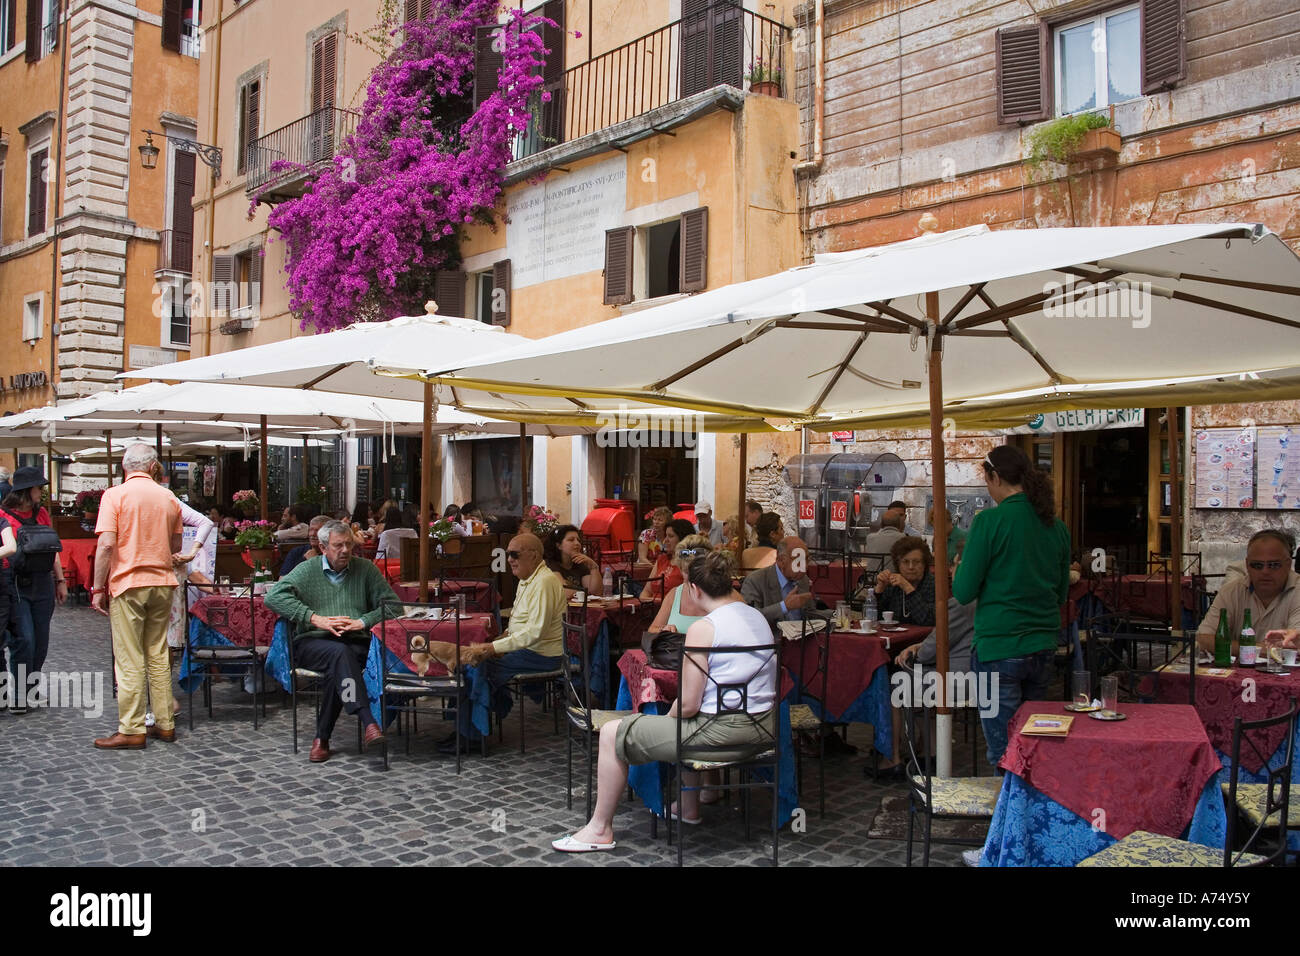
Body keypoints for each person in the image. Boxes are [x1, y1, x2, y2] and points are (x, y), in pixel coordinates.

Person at [553, 551, 778, 851]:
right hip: (764, 729)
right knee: (685, 721)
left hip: (719, 734)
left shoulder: (704, 628)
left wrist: (664, 717)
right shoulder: (757, 617)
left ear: (695, 589)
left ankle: (599, 829)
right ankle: (689, 807)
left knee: (610, 733)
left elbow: (688, 705)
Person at [952, 444, 1071, 769]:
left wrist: (960, 568)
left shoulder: (989, 522)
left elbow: (962, 592)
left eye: (986, 480)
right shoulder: (1056, 527)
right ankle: (1031, 814)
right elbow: (1061, 595)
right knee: (1032, 744)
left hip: (998, 646)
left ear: (994, 476)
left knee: (1003, 750)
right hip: (1043, 645)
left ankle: (1008, 817)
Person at [263, 520, 396, 762]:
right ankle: (367, 720)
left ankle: (322, 737)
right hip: (313, 643)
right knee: (339, 655)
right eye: (338, 545)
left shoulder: (365, 569)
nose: (346, 550)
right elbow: (273, 597)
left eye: (349, 544)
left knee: (341, 660)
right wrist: (315, 618)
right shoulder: (307, 570)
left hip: (355, 642)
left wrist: (362, 622)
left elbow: (393, 607)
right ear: (323, 548)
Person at [90, 445, 182, 749]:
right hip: (162, 582)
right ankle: (165, 722)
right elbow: (177, 543)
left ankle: (132, 727)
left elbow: (105, 546)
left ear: (123, 465)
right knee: (157, 653)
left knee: (129, 657)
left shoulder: (115, 496)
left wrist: (97, 588)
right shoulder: (168, 498)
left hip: (128, 582)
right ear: (154, 466)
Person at [444, 533, 565, 755]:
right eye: (508, 554)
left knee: (476, 666)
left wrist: (493, 648)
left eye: (514, 554)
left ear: (534, 555)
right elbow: (519, 624)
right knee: (469, 663)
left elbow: (535, 632)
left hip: (541, 655)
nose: (509, 559)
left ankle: (471, 735)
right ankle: (466, 729)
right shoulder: (528, 579)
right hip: (527, 650)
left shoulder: (544, 582)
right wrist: (499, 641)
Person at [1, 466, 68, 714]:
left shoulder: (42, 515)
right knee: (24, 640)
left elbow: (53, 550)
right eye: (39, 487)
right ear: (28, 490)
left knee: (41, 642)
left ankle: (30, 688)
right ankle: (19, 695)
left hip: (42, 583)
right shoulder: (3, 517)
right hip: (15, 583)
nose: (42, 491)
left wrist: (60, 581)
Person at [1196, 529, 1300, 656]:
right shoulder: (1232, 591)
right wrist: (1259, 649)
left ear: (1288, 564)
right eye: (1257, 565)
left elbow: (1293, 645)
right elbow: (1202, 639)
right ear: (1247, 565)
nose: (1265, 571)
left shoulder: (1297, 590)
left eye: (1273, 565)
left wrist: (1235, 648)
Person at [648, 534, 716, 634]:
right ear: (680, 569)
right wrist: (663, 630)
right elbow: (652, 630)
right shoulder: (675, 594)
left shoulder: (724, 594)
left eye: (697, 570)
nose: (692, 577)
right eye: (686, 571)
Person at [741, 535, 815, 624]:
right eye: (798, 561)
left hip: (803, 636)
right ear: (781, 561)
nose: (805, 566)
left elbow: (811, 614)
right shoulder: (755, 581)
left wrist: (834, 614)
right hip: (773, 636)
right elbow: (749, 618)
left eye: (806, 559)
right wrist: (784, 606)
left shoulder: (803, 579)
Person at [873, 536, 937, 626]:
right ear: (898, 564)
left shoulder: (933, 584)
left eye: (916, 562)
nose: (911, 567)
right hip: (893, 638)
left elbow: (928, 620)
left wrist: (907, 587)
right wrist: (879, 590)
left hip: (924, 638)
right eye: (905, 562)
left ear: (924, 564)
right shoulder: (893, 584)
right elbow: (874, 620)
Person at [641, 518, 695, 601]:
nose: (665, 540)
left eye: (671, 536)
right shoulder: (662, 559)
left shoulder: (689, 561)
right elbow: (645, 593)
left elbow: (687, 598)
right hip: (654, 607)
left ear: (683, 539)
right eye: (665, 536)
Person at [545, 524, 603, 596]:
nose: (577, 543)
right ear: (559, 546)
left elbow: (596, 592)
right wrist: (585, 593)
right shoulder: (550, 564)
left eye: (578, 540)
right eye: (571, 540)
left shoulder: (579, 564)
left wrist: (593, 567)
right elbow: (565, 592)